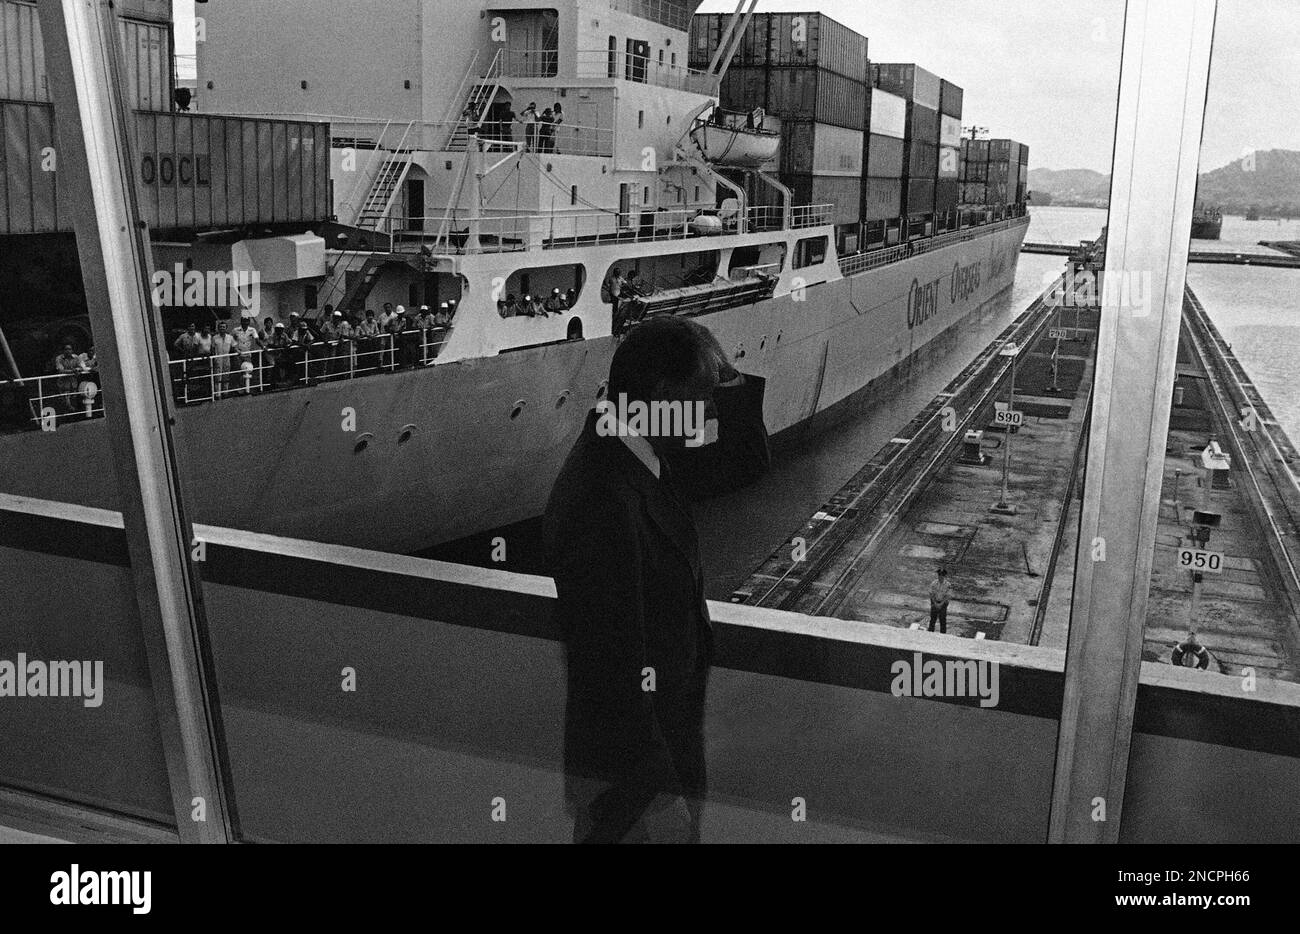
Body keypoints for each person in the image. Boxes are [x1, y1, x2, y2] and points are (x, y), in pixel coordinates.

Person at [544, 315, 770, 844]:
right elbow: (611, 668)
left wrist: (729, 378)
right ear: (666, 395)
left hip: (657, 763)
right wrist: (661, 798)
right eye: (704, 395)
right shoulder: (602, 498)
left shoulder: (639, 453)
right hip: (634, 790)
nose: (710, 410)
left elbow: (748, 462)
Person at [210, 320, 236, 398]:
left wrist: (238, 351)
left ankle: (225, 392)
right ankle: (217, 393)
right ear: (218, 328)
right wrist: (214, 358)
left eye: (224, 327)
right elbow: (212, 349)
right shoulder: (214, 338)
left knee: (226, 375)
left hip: (226, 358)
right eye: (221, 327)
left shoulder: (230, 337)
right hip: (218, 358)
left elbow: (234, 346)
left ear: (226, 328)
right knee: (217, 376)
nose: (222, 328)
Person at [928, 567, 952, 634]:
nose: (940, 577)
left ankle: (943, 635)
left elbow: (947, 596)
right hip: (934, 602)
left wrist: (941, 604)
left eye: (942, 575)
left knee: (942, 619)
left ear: (944, 576)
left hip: (943, 603)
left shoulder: (948, 585)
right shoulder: (933, 583)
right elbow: (931, 594)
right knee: (932, 619)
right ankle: (930, 633)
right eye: (939, 575)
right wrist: (935, 603)